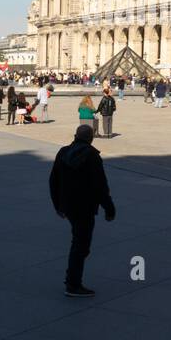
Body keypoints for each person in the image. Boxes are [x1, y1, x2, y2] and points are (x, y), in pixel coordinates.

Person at [49, 125, 116, 298]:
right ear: (91, 138)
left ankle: (72, 279)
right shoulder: (92, 156)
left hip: (69, 206)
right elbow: (101, 186)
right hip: (84, 207)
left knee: (79, 242)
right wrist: (109, 209)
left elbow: (53, 180)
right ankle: (73, 284)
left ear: (75, 136)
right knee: (81, 245)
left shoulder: (63, 152)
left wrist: (58, 205)